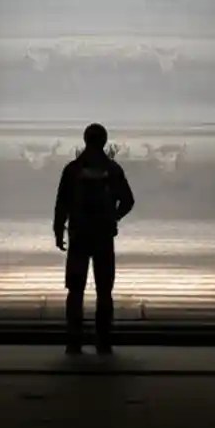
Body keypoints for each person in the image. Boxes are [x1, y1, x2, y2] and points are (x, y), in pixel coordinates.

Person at [53, 123, 135, 355]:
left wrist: (58, 230)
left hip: (79, 235)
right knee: (104, 290)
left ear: (85, 140)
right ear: (104, 141)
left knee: (75, 290)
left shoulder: (72, 170)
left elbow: (62, 204)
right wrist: (113, 217)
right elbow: (128, 200)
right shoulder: (113, 170)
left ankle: (74, 340)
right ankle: (104, 340)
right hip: (103, 236)